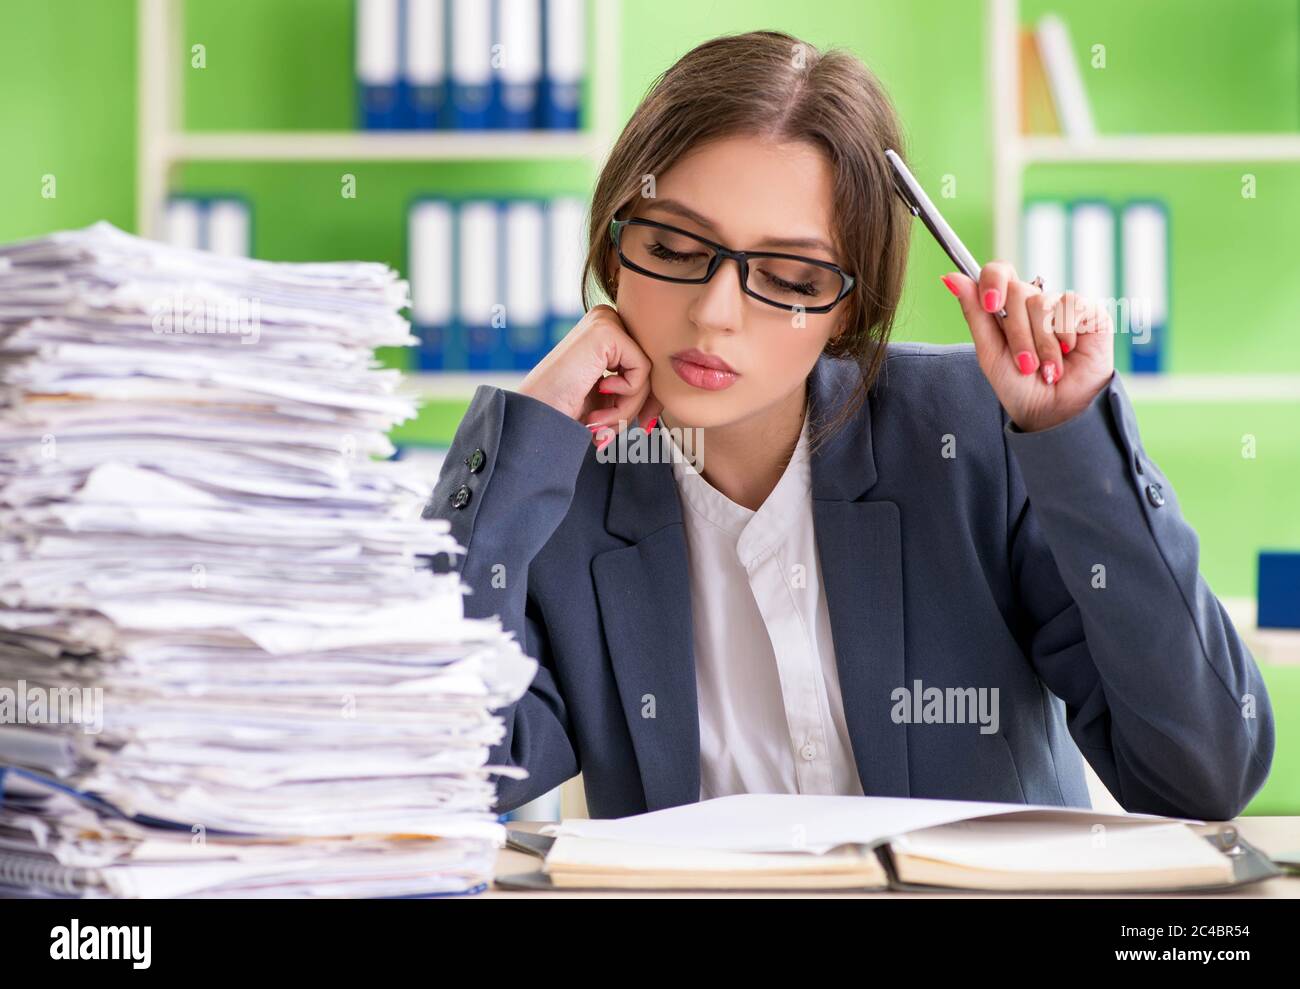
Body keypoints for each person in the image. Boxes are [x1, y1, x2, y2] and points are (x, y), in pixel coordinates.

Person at [426, 30, 1273, 821]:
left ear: (847, 308)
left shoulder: (969, 437)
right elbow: (429, 762)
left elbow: (1202, 772)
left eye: (791, 276)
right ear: (615, 248)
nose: (715, 313)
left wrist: (1074, 438)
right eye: (677, 251)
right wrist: (523, 433)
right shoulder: (559, 489)